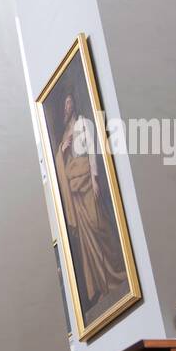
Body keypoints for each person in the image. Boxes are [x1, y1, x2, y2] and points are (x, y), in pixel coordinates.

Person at [54, 91, 127, 313]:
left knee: (100, 225)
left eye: (69, 103)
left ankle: (118, 270)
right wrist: (62, 151)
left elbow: (93, 152)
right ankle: (102, 284)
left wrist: (95, 178)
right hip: (75, 191)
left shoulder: (84, 124)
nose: (67, 108)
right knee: (89, 237)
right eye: (64, 105)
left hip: (87, 181)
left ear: (74, 105)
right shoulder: (65, 135)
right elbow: (61, 164)